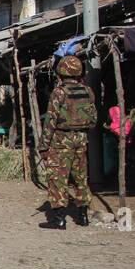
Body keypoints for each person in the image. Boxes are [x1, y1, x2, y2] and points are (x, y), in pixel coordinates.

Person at [39, 55, 96, 230]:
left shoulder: (59, 92)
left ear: (62, 71)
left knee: (58, 179)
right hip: (81, 140)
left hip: (61, 141)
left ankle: (59, 219)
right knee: (81, 178)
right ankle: (83, 217)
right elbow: (93, 120)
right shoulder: (88, 91)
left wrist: (43, 145)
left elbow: (50, 121)